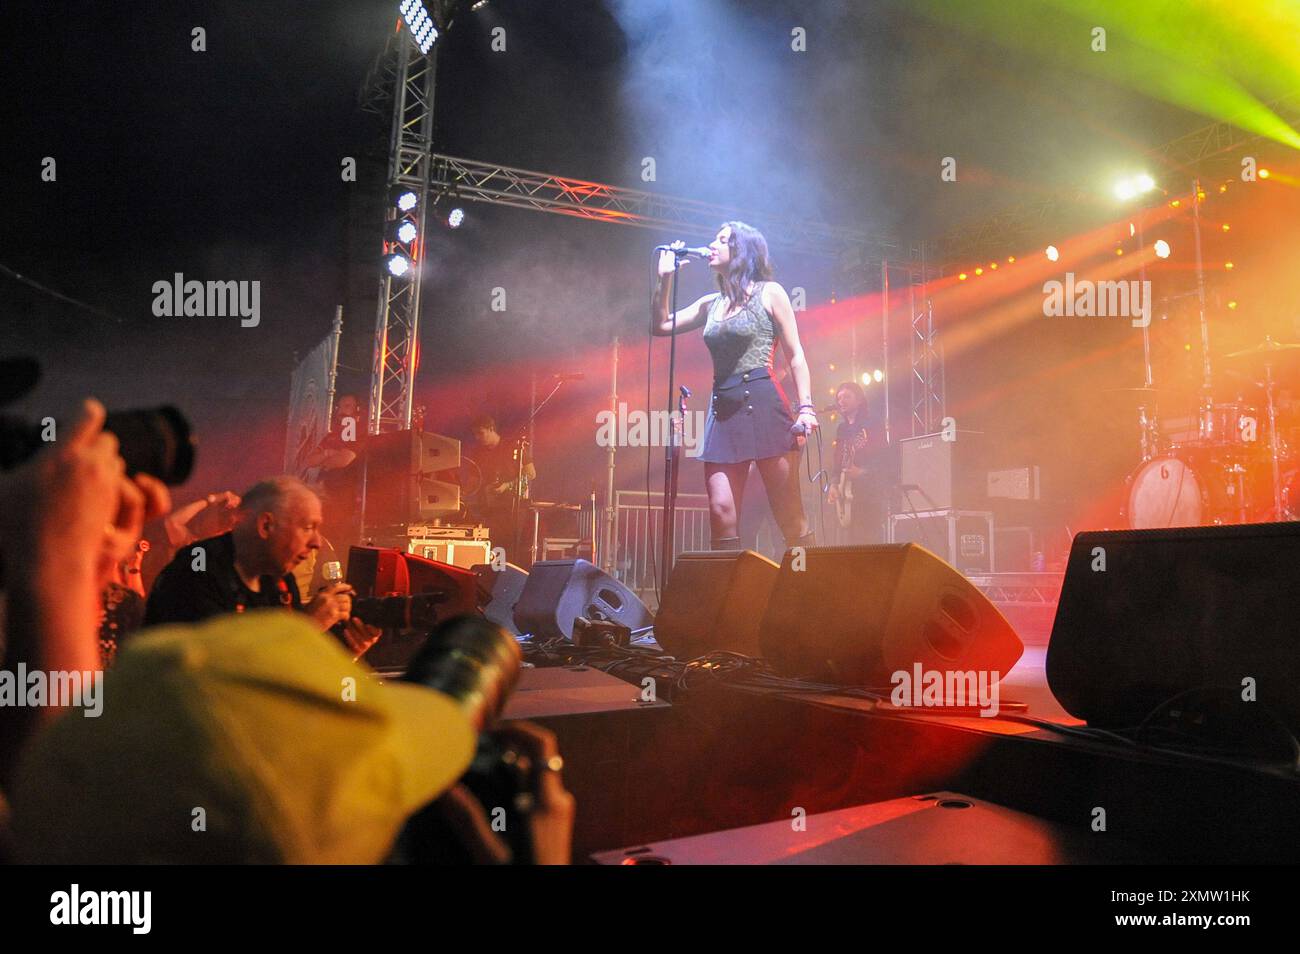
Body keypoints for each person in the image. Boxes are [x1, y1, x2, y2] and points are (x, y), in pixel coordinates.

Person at [651, 222, 817, 550]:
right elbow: (660, 325)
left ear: (741, 252)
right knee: (721, 509)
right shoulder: (710, 303)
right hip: (723, 408)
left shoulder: (770, 293)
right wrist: (664, 279)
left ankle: (808, 590)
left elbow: (795, 354)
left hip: (764, 400)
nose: (712, 244)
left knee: (787, 512)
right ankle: (732, 597)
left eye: (722, 240)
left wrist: (807, 406)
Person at [143, 476, 377, 656]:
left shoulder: (281, 582)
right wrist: (308, 628)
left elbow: (284, 674)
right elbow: (220, 670)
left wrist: (346, 652)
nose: (316, 542)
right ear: (266, 526)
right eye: (307, 528)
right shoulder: (197, 569)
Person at [826, 381, 889, 544]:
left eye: (847, 396)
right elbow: (837, 461)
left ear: (859, 400)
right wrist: (833, 484)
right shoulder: (842, 429)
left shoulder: (872, 423)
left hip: (869, 495)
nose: (841, 401)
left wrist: (862, 472)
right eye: (839, 397)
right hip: (845, 496)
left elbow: (885, 458)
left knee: (868, 540)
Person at [466, 414, 535, 557]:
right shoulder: (478, 452)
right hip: (489, 507)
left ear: (491, 429)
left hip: (513, 507)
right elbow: (473, 480)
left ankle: (506, 575)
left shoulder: (513, 446)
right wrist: (461, 493)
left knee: (508, 549)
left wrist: (507, 485)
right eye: (475, 434)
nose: (478, 437)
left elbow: (531, 473)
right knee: (491, 548)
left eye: (481, 433)